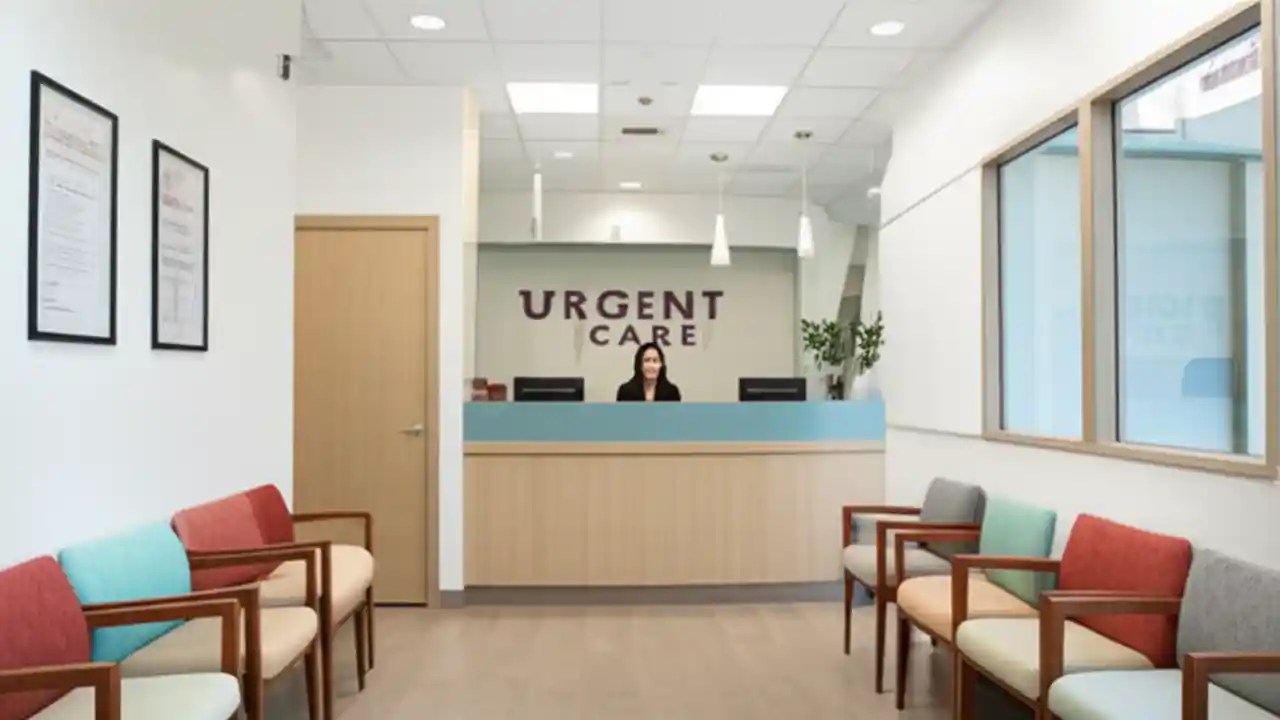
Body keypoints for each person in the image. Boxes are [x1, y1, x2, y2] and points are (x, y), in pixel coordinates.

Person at [616, 342, 682, 402]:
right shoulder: (626, 391)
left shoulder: (672, 392)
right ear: (640, 365)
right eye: (647, 360)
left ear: (661, 365)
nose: (651, 366)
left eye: (655, 361)